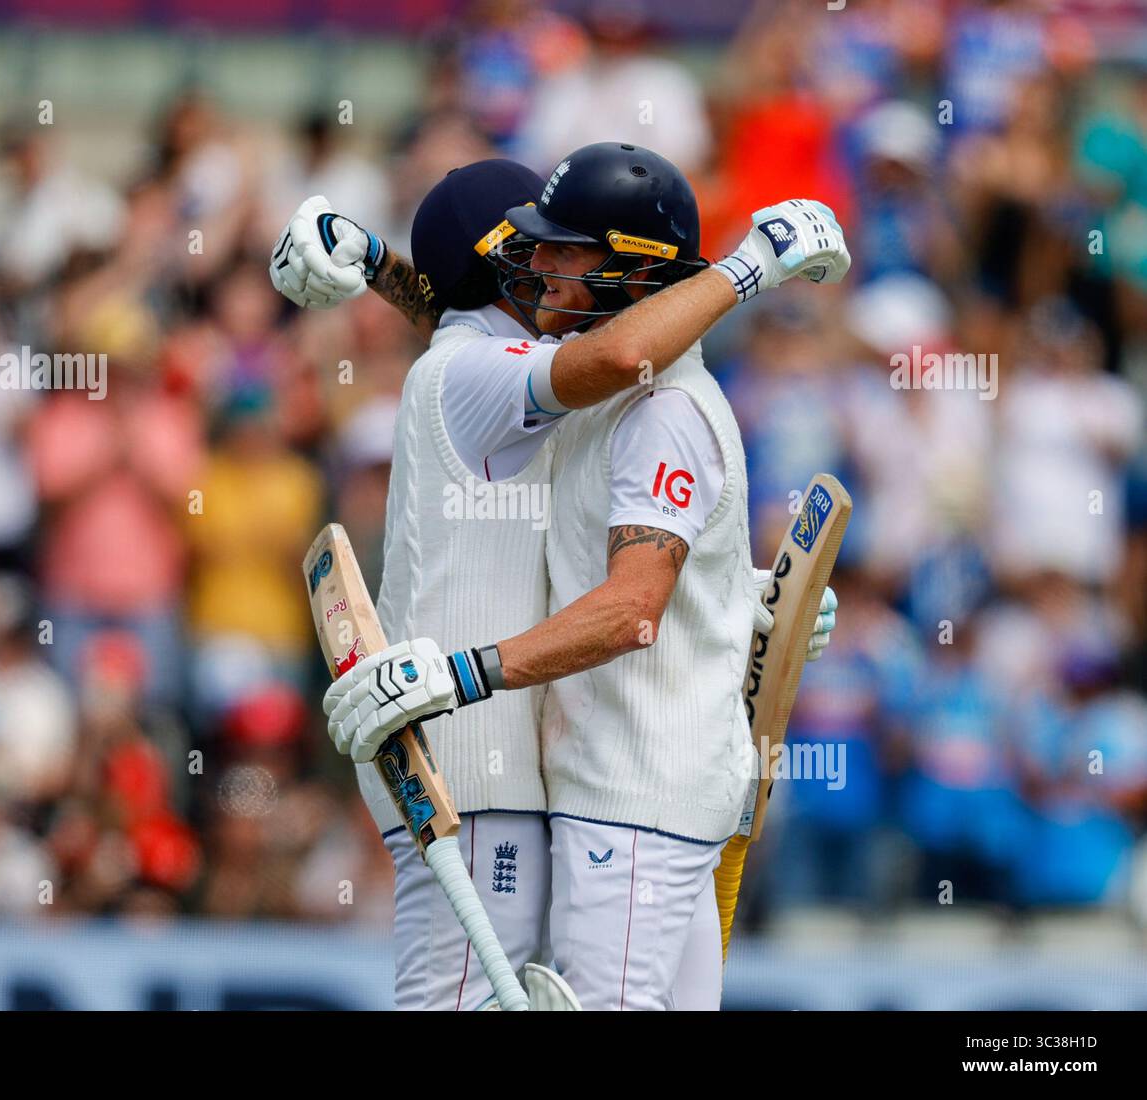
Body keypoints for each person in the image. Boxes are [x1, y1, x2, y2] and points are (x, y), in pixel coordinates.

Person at [274, 146, 847, 1009]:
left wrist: (731, 593)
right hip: (473, 762)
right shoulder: (489, 373)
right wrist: (752, 262)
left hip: (565, 769)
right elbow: (602, 356)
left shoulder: (581, 384)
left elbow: (479, 311)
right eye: (522, 248)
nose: (536, 266)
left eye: (556, 248)